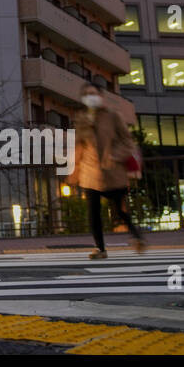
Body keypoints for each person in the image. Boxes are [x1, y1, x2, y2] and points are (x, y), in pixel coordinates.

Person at [68, 83, 145, 258]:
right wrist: (74, 170)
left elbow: (128, 141)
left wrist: (115, 156)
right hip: (89, 172)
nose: (90, 97)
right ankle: (100, 249)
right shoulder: (81, 118)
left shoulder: (113, 116)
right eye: (87, 94)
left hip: (113, 170)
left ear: (101, 96)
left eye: (93, 93)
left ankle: (138, 237)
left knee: (120, 210)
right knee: (93, 212)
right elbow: (79, 145)